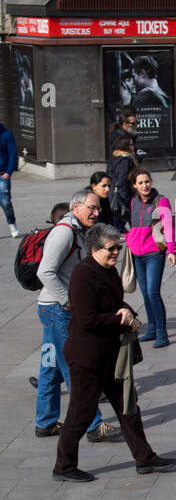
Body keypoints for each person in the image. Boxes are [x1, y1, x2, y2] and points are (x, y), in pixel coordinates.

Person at [52, 224, 176, 481]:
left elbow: (113, 301)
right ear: (95, 249)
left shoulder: (107, 271)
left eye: (119, 247)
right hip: (86, 357)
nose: (116, 252)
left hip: (110, 356)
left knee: (128, 407)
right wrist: (120, 318)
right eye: (111, 248)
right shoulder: (82, 275)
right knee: (81, 413)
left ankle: (145, 458)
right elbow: (87, 319)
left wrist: (128, 312)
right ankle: (63, 466)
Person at [35, 190, 119, 443]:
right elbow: (45, 272)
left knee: (50, 367)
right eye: (92, 208)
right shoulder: (64, 232)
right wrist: (69, 301)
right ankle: (93, 425)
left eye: (98, 208)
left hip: (49, 310)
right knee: (77, 367)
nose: (96, 213)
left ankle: (45, 421)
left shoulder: (76, 230)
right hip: (57, 310)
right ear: (76, 207)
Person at [124, 167, 176, 347]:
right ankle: (152, 329)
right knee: (146, 293)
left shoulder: (161, 201)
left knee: (153, 293)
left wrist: (171, 251)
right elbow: (133, 226)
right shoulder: (134, 203)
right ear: (134, 186)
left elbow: (168, 226)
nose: (145, 185)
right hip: (137, 254)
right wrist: (130, 241)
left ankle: (162, 333)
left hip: (154, 253)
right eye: (140, 183)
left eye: (147, 181)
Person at [106, 134, 136, 230]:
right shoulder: (125, 161)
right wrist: (126, 198)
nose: (133, 146)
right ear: (125, 146)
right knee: (131, 220)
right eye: (131, 145)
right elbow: (122, 180)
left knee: (117, 221)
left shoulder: (114, 159)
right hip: (122, 196)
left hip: (113, 195)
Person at [0, 120, 18, 236]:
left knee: (5, 202)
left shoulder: (6, 134)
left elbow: (12, 153)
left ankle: (12, 222)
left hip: (2, 173)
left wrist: (9, 171)